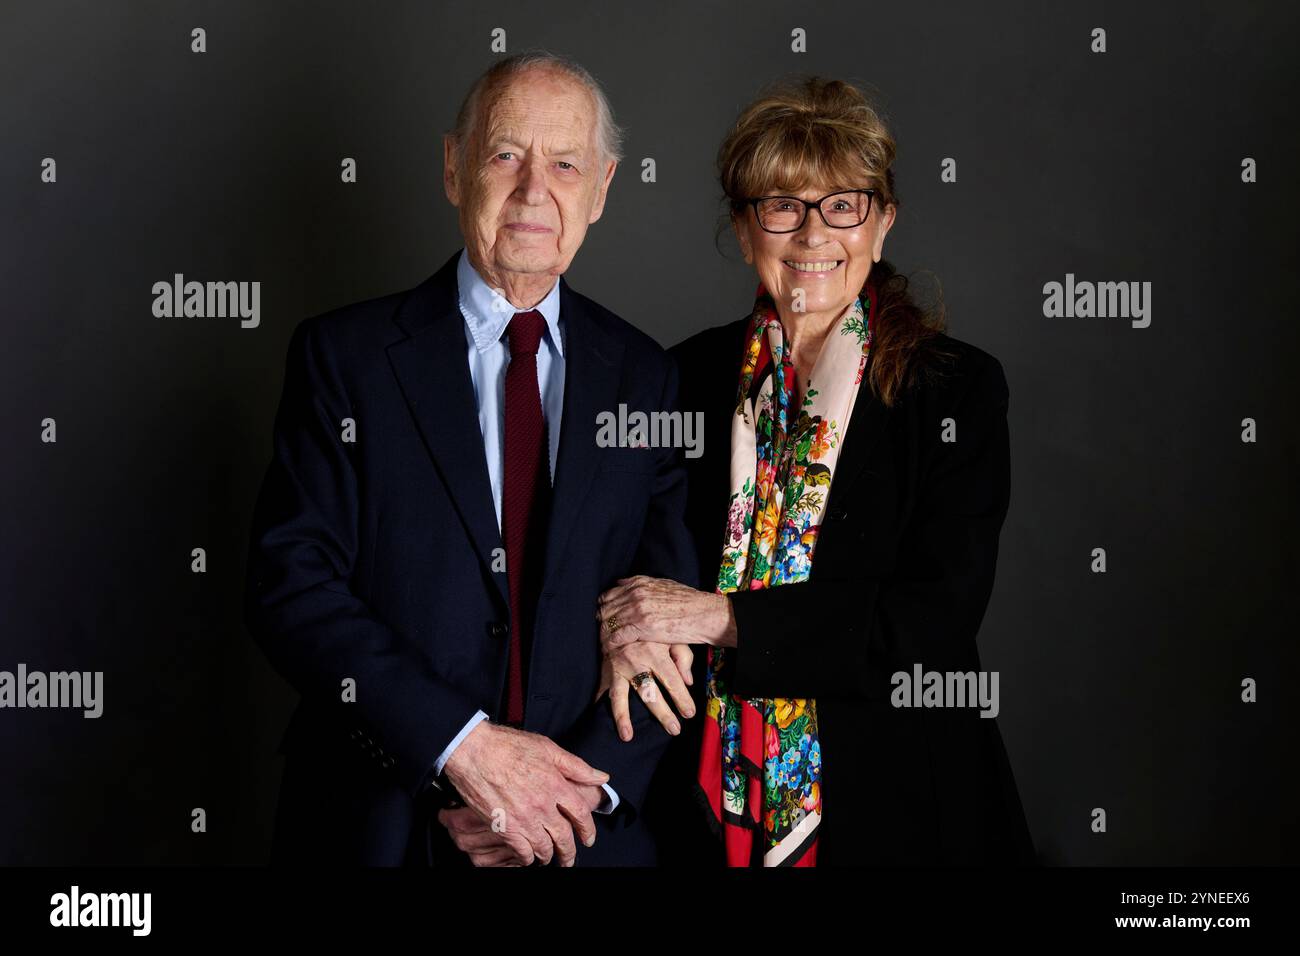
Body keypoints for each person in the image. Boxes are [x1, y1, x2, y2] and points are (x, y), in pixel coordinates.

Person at [243, 51, 695, 867]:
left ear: (602, 187)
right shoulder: (345, 358)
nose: (533, 191)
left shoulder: (647, 375)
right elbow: (291, 587)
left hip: (585, 835)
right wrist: (466, 753)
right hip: (384, 827)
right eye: (504, 154)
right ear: (454, 168)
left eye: (565, 164)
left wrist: (562, 800)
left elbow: (668, 622)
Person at [596, 76, 1036, 866]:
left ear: (883, 220)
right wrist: (623, 634)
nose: (812, 234)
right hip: (700, 805)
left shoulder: (955, 387)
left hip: (901, 804)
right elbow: (627, 571)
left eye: (844, 204)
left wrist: (719, 618)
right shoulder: (682, 377)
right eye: (781, 205)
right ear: (741, 226)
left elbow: (931, 623)